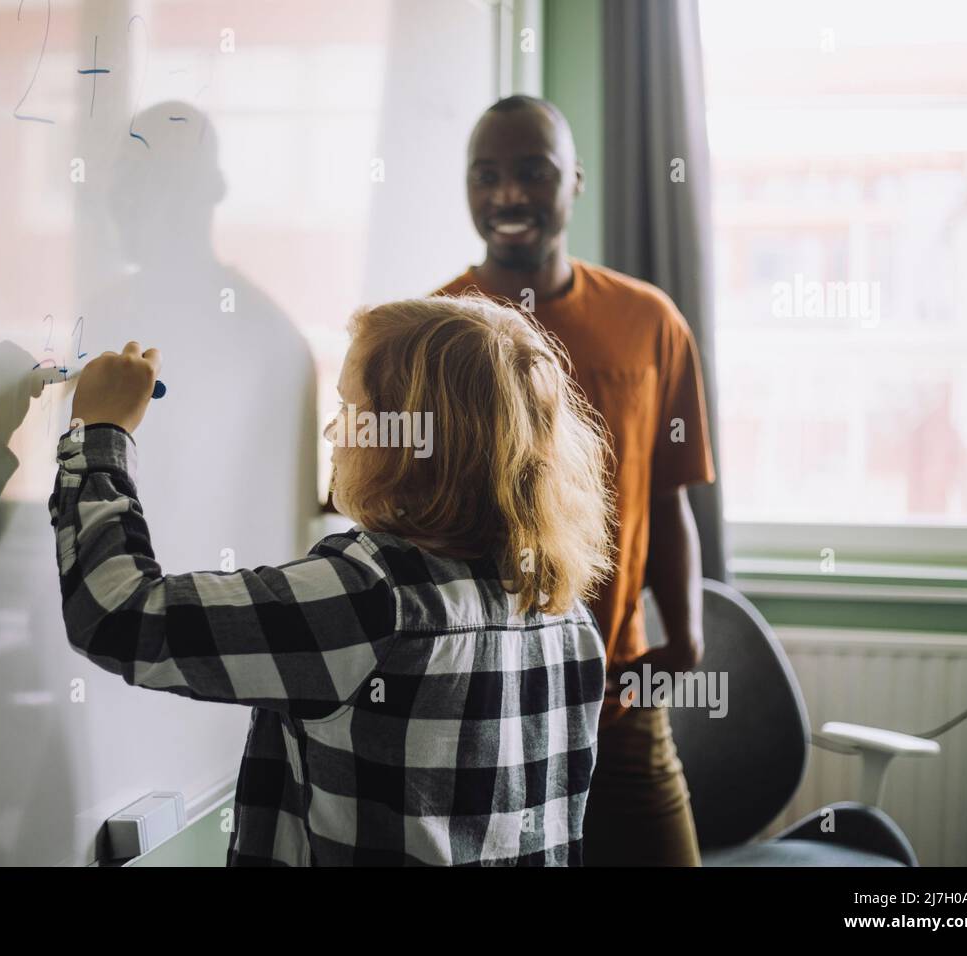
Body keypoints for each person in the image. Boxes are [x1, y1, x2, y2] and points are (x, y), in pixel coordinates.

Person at [48, 294, 616, 865]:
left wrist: (101, 435)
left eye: (348, 407)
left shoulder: (371, 598)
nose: (330, 430)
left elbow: (116, 613)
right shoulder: (562, 608)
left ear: (411, 437)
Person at [435, 95, 716, 866]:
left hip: (618, 697)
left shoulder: (650, 321)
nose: (508, 195)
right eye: (485, 175)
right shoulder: (435, 330)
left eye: (533, 172)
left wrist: (685, 638)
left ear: (576, 182)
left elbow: (667, 494)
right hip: (482, 703)